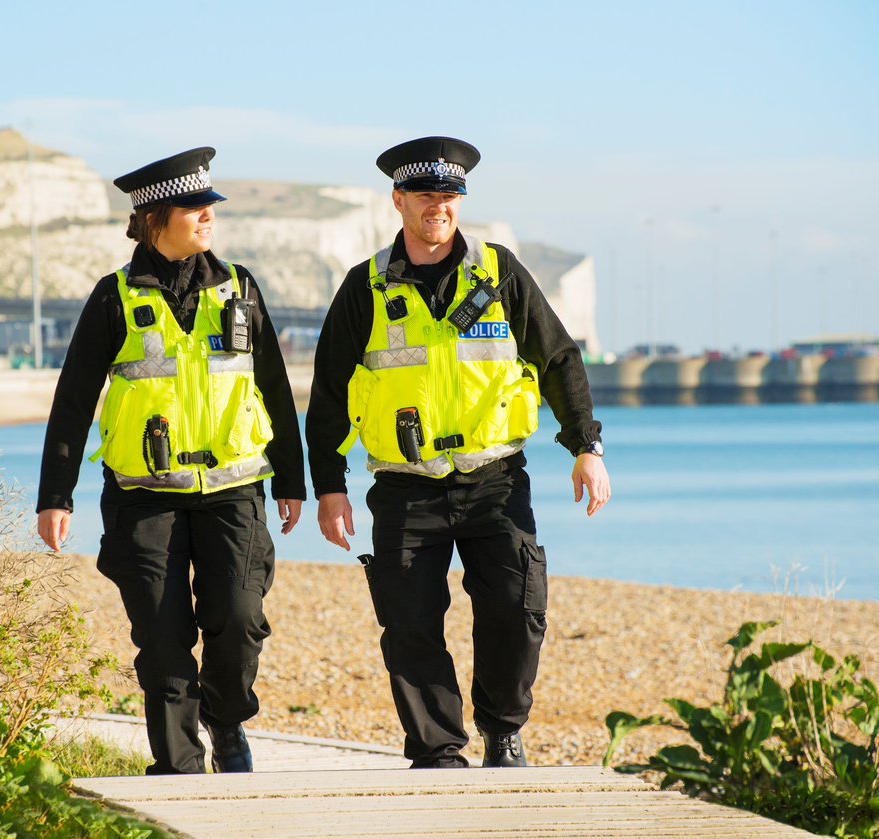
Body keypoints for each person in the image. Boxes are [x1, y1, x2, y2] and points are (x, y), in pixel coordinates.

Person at [305, 136, 610, 769]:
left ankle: (503, 730)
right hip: (404, 484)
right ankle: (437, 748)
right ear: (399, 201)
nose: (438, 206)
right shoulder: (364, 289)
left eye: (449, 195)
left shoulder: (499, 274)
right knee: (409, 621)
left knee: (518, 605)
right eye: (425, 195)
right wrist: (328, 487)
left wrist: (587, 445)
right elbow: (329, 395)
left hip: (495, 477)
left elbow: (557, 359)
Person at [36, 147, 305, 775]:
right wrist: (56, 494)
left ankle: (228, 720)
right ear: (156, 216)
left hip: (234, 488)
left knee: (237, 620)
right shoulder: (114, 297)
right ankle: (179, 768)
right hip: (143, 496)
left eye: (211, 205)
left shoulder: (241, 287)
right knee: (161, 639)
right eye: (195, 206)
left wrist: (293, 479)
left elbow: (273, 383)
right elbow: (73, 398)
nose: (209, 216)